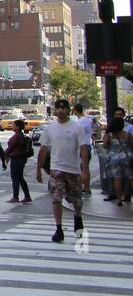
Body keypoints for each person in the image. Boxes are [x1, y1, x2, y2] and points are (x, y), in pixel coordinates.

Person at [37, 98, 90, 244]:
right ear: (54, 111)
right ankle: (59, 228)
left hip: (73, 170)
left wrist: (85, 170)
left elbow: (84, 149)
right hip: (56, 169)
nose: (60, 111)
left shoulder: (77, 127)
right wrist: (38, 169)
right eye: (58, 108)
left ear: (68, 110)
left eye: (63, 108)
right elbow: (43, 149)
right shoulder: (50, 129)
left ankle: (77, 218)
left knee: (76, 200)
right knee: (56, 198)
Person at [102, 116, 130, 206]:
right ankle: (127, 196)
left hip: (114, 159)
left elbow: (105, 146)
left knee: (117, 179)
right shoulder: (127, 134)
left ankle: (119, 199)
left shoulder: (110, 135)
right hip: (127, 158)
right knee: (130, 178)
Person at [4, 118, 32, 203]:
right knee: (20, 178)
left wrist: (4, 154)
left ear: (18, 127)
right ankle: (27, 196)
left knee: (15, 178)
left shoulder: (17, 136)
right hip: (21, 158)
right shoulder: (21, 135)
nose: (12, 126)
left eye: (14, 125)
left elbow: (10, 148)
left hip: (17, 159)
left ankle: (15, 197)